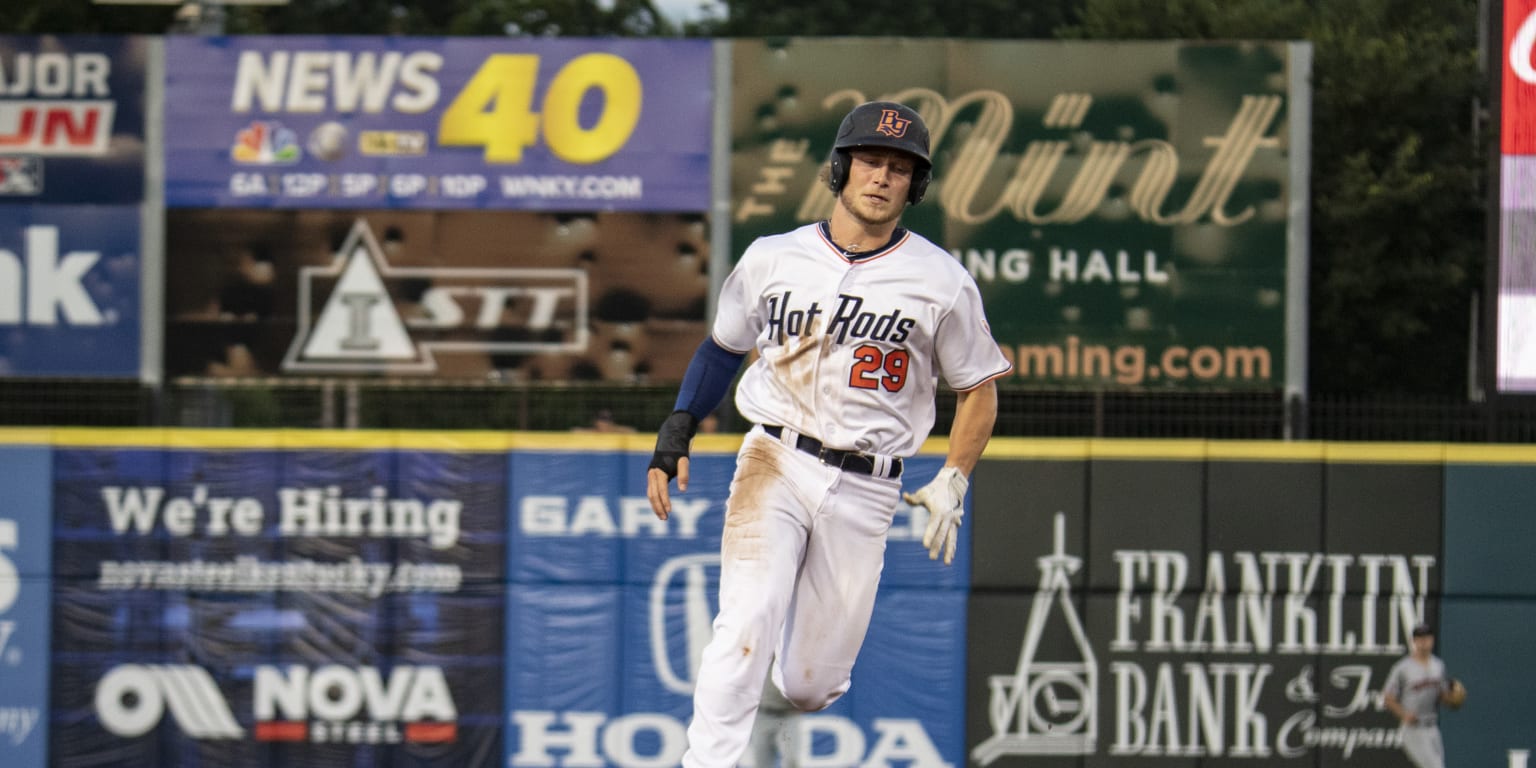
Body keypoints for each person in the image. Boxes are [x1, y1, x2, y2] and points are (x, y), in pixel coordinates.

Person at [645, 100, 1013, 768]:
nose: (882, 177)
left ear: (914, 186)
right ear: (841, 168)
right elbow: (723, 349)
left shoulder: (941, 280)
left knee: (812, 685)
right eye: (871, 160)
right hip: (776, 456)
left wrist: (954, 478)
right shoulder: (772, 258)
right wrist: (675, 435)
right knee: (746, 619)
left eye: (900, 169)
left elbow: (979, 391)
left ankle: (783, 701)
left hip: (868, 487)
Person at [1383, 623, 1463, 768]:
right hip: (1414, 728)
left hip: (1432, 727)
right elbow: (1388, 697)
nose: (1424, 641)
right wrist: (1403, 714)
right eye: (1420, 638)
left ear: (1432, 640)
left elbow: (1441, 695)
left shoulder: (1438, 665)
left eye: (1427, 637)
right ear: (1414, 641)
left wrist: (1452, 699)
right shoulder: (1403, 667)